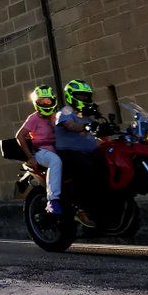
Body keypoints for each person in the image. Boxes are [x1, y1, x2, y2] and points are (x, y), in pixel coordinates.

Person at [55, 78, 103, 226]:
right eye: (80, 96)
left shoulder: (87, 116)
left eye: (86, 96)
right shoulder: (65, 112)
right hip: (69, 153)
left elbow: (100, 131)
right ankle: (79, 209)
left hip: (88, 152)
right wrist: (85, 127)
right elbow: (70, 126)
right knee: (87, 169)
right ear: (71, 96)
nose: (84, 98)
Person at [16, 84, 63, 215]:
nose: (45, 103)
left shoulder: (57, 115)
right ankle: (52, 200)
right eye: (42, 101)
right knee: (55, 161)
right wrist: (30, 156)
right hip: (42, 151)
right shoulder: (34, 118)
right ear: (36, 103)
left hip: (58, 149)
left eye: (48, 100)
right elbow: (19, 136)